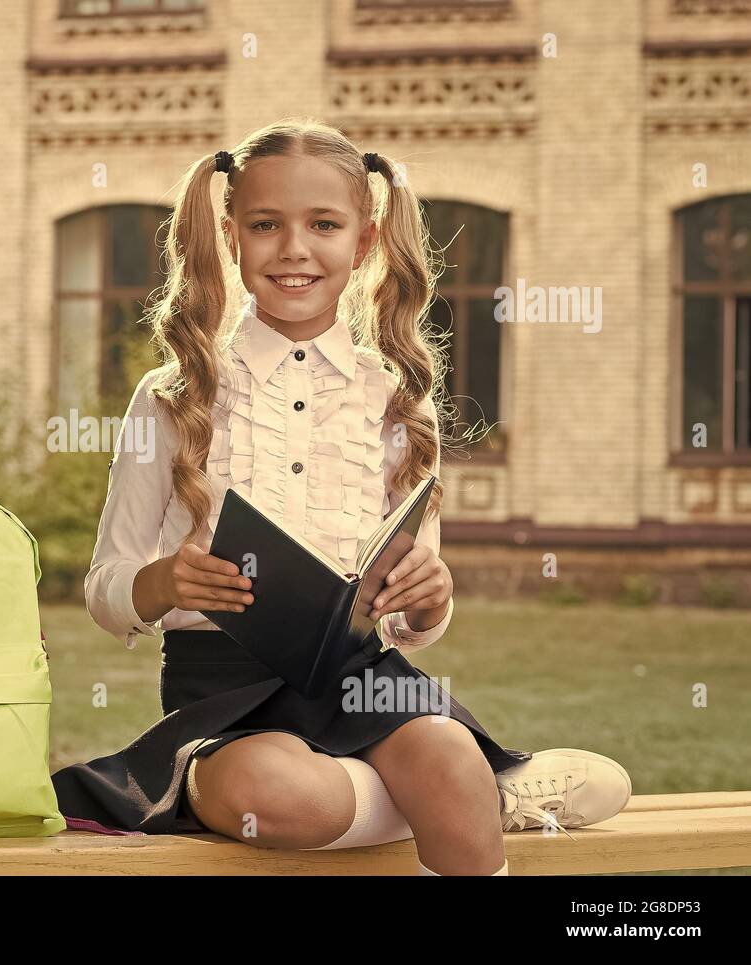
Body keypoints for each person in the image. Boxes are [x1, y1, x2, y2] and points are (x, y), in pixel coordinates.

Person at [49, 118, 632, 876]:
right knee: (286, 797)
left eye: (323, 224)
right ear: (231, 237)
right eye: (266, 225)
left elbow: (415, 611)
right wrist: (161, 582)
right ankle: (478, 799)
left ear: (362, 243)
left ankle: (459, 788)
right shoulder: (172, 398)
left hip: (364, 678)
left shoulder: (396, 401)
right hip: (222, 694)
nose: (294, 249)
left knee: (446, 753)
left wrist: (430, 595)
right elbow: (104, 588)